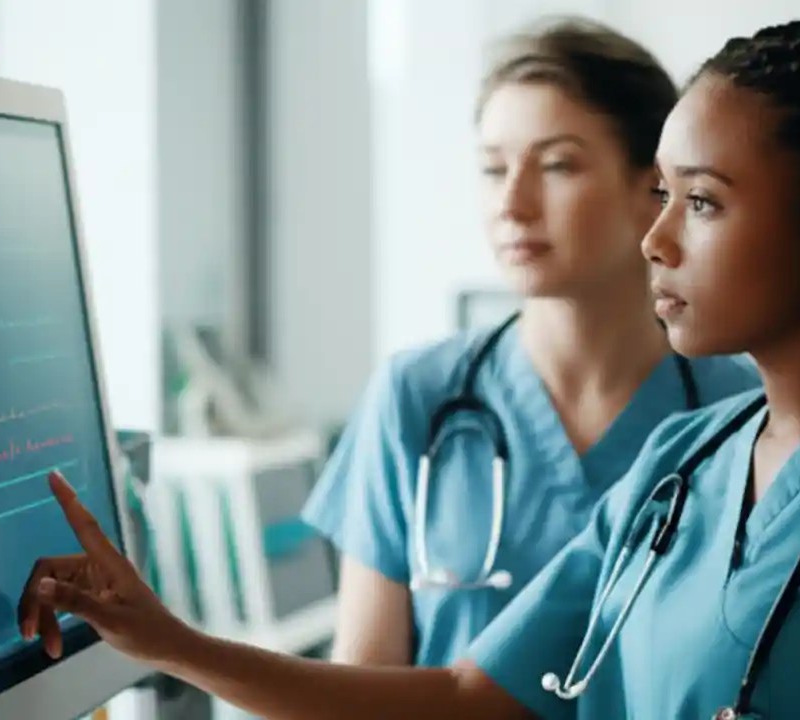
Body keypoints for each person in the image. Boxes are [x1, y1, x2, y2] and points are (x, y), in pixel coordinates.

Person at [18, 22, 800, 718]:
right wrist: (167, 640)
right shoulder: (681, 462)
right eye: (664, 196)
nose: (656, 239)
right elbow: (465, 694)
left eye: (697, 202)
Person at [303, 17, 758, 668]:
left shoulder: (741, 413)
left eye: (556, 165)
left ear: (653, 189)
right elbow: (363, 681)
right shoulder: (416, 398)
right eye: (493, 169)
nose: (511, 203)